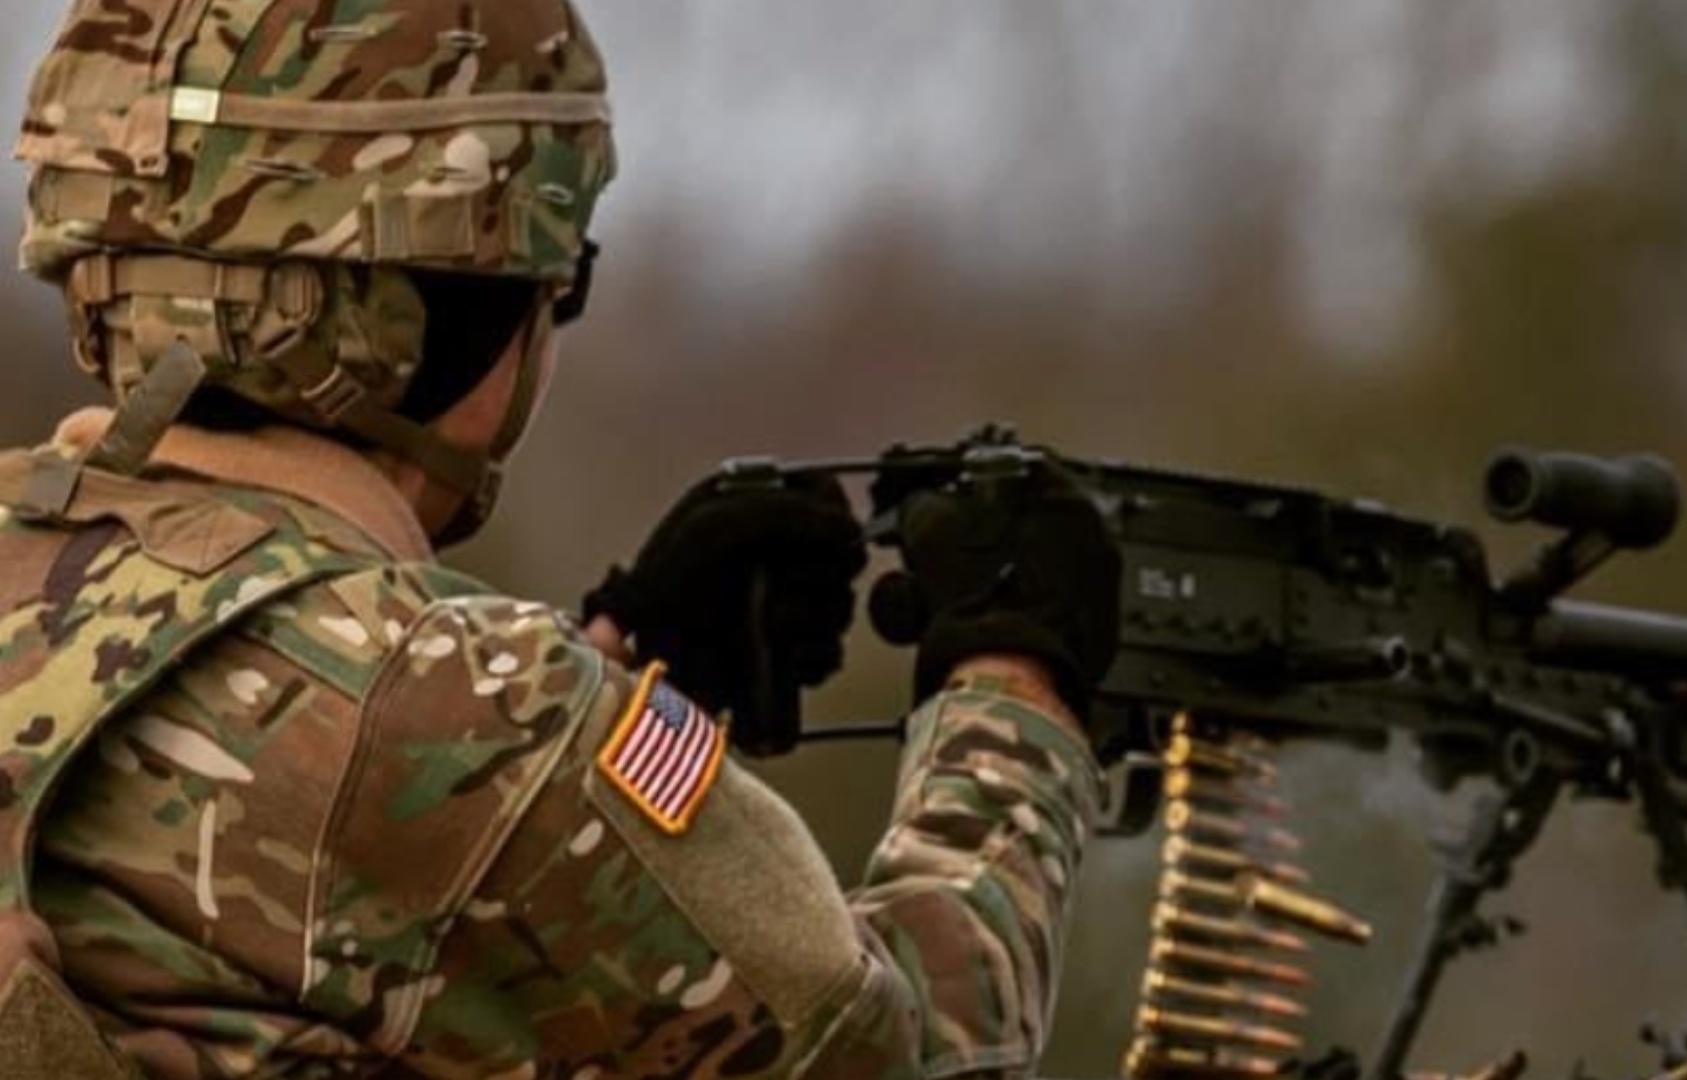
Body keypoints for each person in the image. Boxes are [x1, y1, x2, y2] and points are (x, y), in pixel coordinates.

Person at [0, 2, 1122, 1077]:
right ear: (443, 306)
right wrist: (1014, 694)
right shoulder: (455, 712)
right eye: (556, 290)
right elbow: (900, 1053)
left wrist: (612, 662)